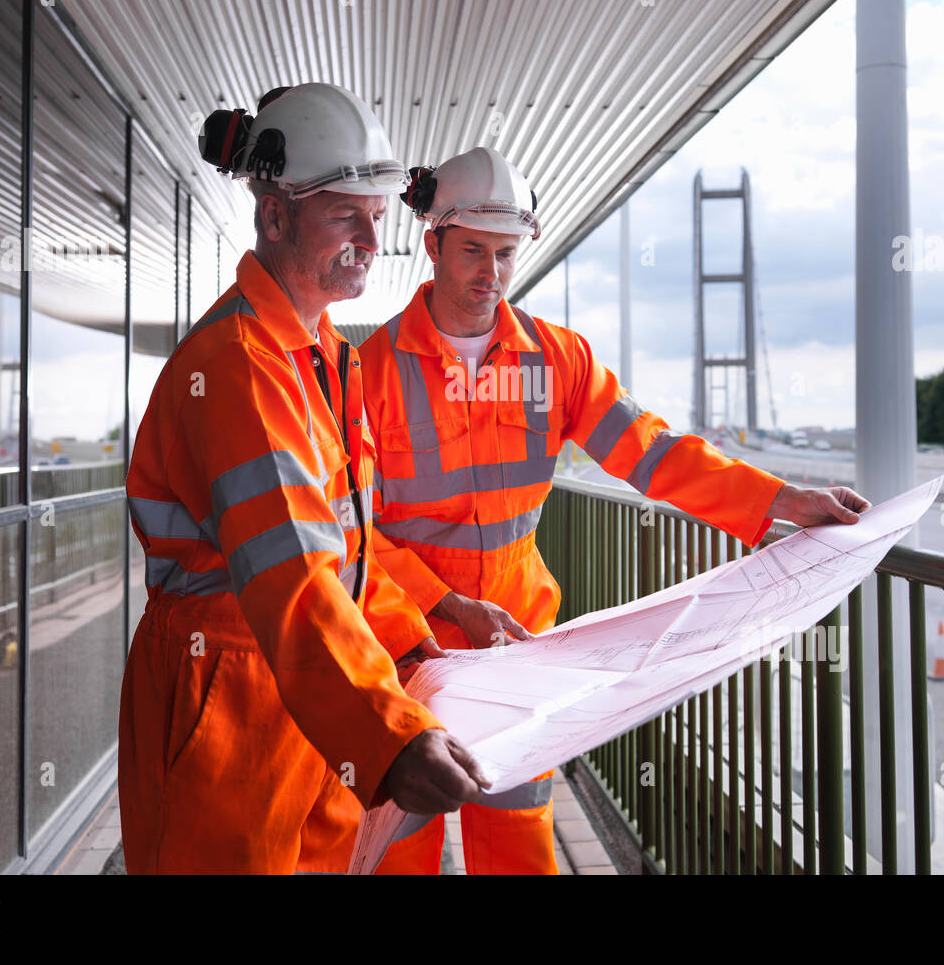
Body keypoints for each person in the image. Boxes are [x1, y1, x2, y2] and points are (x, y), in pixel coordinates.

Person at [354, 146, 871, 873]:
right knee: (397, 852)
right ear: (433, 243)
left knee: (519, 848)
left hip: (515, 656)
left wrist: (778, 498)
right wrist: (447, 601)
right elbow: (351, 536)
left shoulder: (556, 361)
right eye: (473, 250)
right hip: (405, 655)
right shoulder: (368, 374)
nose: (491, 273)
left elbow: (653, 452)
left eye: (506, 254)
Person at [118, 84, 490, 874]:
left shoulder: (325, 356)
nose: (369, 236)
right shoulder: (237, 367)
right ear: (275, 212)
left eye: (378, 214)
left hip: (314, 696)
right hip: (227, 704)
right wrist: (390, 732)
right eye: (342, 212)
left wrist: (415, 641)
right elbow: (290, 573)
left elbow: (345, 547)